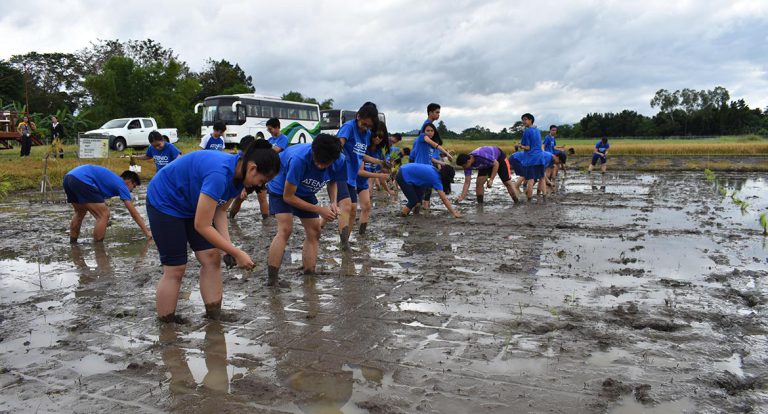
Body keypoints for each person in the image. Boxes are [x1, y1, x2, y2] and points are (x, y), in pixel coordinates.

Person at [147, 141, 280, 322]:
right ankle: (166, 323)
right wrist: (236, 252)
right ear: (252, 168)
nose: (260, 186)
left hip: (192, 204)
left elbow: (220, 210)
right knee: (175, 268)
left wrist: (227, 248)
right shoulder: (219, 175)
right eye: (262, 181)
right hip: (166, 201)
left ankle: (214, 314)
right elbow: (202, 225)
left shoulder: (238, 177)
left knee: (212, 257)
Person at [266, 134, 349, 287]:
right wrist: (320, 210)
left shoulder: (340, 160)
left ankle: (309, 273)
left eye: (325, 163)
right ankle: (272, 280)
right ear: (313, 151)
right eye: (317, 162)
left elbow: (332, 181)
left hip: (306, 192)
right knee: (285, 229)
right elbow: (288, 197)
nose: (320, 166)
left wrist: (333, 202)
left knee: (315, 231)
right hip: (281, 188)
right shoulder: (299, 159)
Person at [335, 102, 388, 248]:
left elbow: (361, 154)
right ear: (358, 116)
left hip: (351, 176)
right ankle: (344, 243)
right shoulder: (349, 127)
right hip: (340, 172)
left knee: (353, 209)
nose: (365, 128)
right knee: (346, 206)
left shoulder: (367, 134)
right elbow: (338, 144)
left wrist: (379, 161)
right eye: (364, 124)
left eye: (369, 126)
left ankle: (345, 240)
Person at [63, 165, 152, 243]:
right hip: (82, 179)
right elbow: (134, 213)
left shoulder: (112, 180)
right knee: (104, 214)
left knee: (80, 212)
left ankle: (73, 243)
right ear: (129, 181)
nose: (132, 190)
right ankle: (98, 247)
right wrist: (147, 232)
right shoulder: (121, 185)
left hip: (69, 178)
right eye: (134, 186)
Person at [357, 124, 394, 235]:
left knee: (367, 206)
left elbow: (379, 175)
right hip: (355, 179)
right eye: (375, 136)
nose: (377, 138)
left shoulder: (378, 153)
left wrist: (388, 190)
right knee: (349, 209)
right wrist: (379, 176)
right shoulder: (364, 149)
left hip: (365, 182)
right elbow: (361, 172)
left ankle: (362, 233)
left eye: (380, 137)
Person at [455, 146, 519, 204]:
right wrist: (462, 197)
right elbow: (467, 182)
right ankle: (480, 204)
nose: (464, 168)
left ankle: (517, 201)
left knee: (507, 182)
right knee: (479, 182)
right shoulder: (467, 165)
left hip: (499, 158)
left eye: (464, 166)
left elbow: (496, 164)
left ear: (469, 160)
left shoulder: (480, 156)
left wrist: (491, 179)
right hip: (486, 165)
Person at [396, 163, 461, 218]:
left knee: (419, 199)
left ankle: (415, 216)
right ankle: (402, 217)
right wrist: (454, 213)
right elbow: (444, 199)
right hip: (403, 175)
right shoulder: (436, 179)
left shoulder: (435, 171)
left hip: (406, 170)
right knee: (413, 200)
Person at [510, 113, 550, 201]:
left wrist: (519, 145)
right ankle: (544, 197)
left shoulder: (527, 131)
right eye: (523, 120)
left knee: (531, 180)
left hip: (532, 158)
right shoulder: (537, 130)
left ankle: (529, 200)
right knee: (542, 177)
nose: (523, 122)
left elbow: (527, 147)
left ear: (530, 120)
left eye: (525, 119)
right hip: (540, 157)